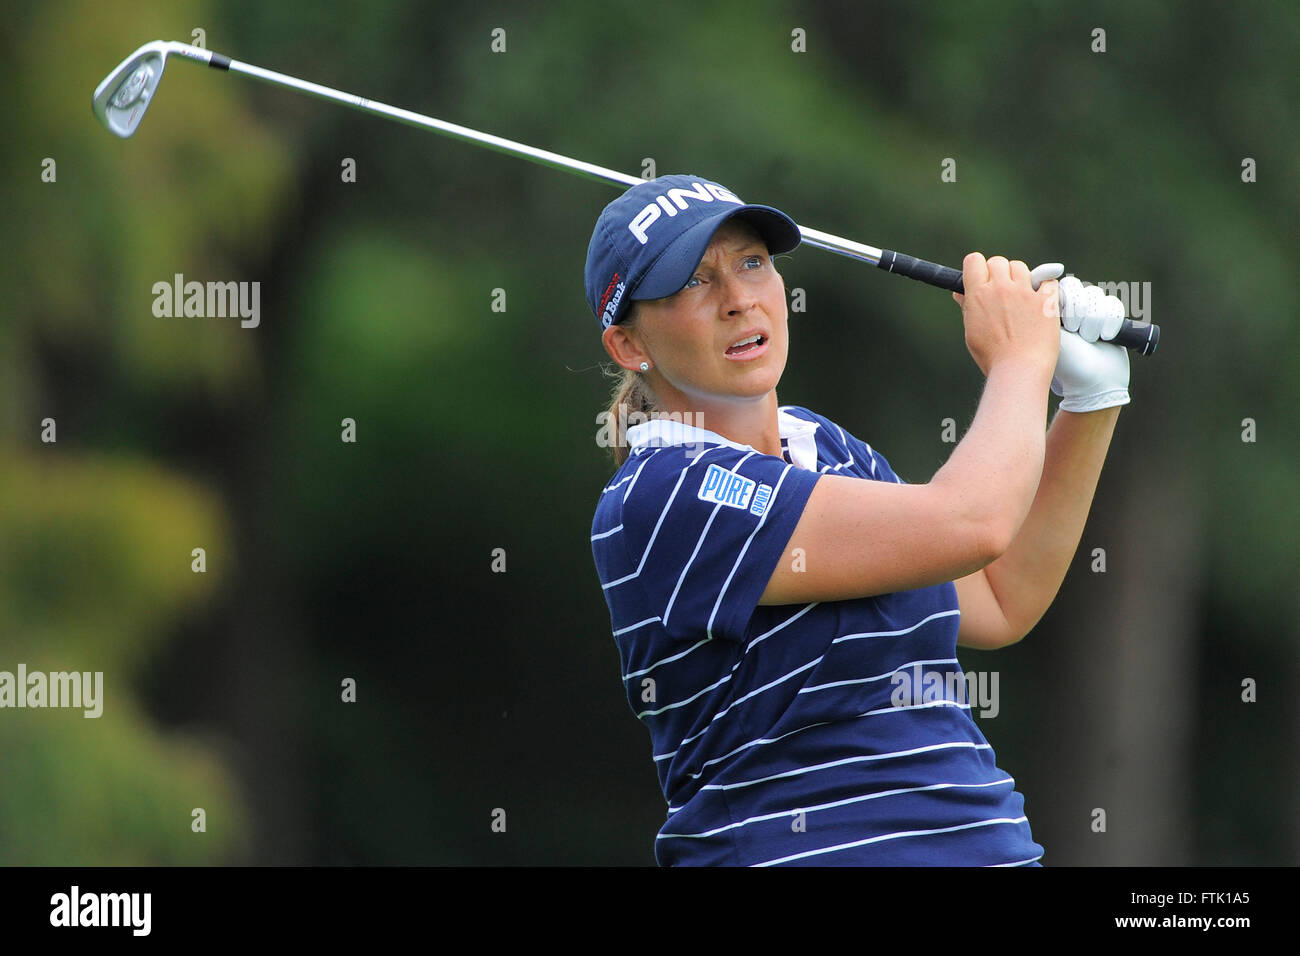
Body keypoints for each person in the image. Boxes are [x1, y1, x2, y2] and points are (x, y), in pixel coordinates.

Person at [585, 173, 1129, 866]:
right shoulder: (662, 494)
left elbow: (999, 596)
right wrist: (1021, 360)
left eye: (752, 262)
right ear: (631, 348)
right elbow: (970, 522)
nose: (738, 299)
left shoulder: (825, 446)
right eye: (693, 282)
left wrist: (1091, 402)